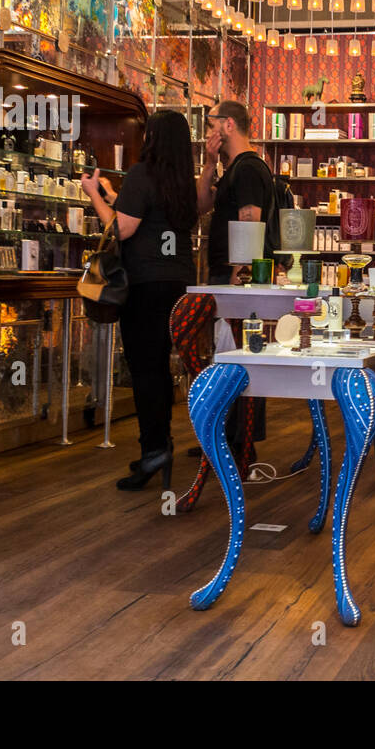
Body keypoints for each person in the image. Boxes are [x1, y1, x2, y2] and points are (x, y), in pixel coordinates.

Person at [83, 110, 198, 490]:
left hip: (145, 286)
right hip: (178, 285)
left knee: (145, 369)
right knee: (162, 367)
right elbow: (155, 217)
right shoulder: (183, 182)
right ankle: (160, 445)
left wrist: (94, 197)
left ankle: (154, 450)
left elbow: (122, 227)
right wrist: (115, 196)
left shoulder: (142, 173)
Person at [196, 100, 278, 456]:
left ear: (228, 124)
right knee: (227, 353)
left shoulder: (247, 169)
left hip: (236, 277)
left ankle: (238, 439)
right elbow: (200, 205)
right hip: (226, 273)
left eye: (211, 123)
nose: (208, 130)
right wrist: (209, 164)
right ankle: (227, 436)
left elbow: (250, 224)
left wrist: (237, 281)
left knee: (239, 354)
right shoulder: (233, 169)